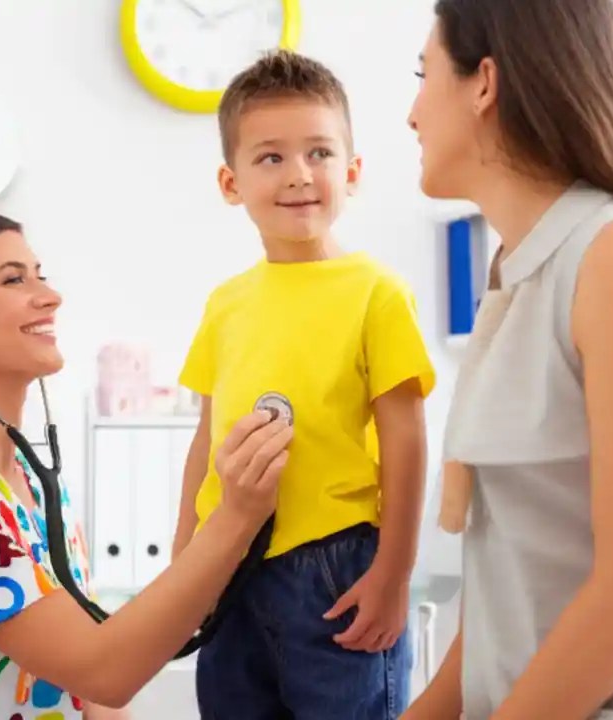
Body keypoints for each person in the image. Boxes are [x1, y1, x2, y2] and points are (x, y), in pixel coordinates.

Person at [403, 0, 613, 718]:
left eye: (424, 74)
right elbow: (508, 593)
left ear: (483, 83)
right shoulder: (519, 275)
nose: (411, 113)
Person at [0, 210, 294, 719]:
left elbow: (91, 691)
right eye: (14, 279)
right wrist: (236, 517)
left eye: (40, 275)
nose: (50, 297)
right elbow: (101, 669)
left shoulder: (26, 481)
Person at [171, 50, 437, 719]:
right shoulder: (225, 303)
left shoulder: (378, 293)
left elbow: (405, 437)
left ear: (352, 172)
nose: (299, 175)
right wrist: (184, 567)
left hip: (335, 571)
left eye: (319, 153)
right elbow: (206, 437)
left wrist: (394, 574)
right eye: (271, 158)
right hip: (227, 565)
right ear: (231, 183)